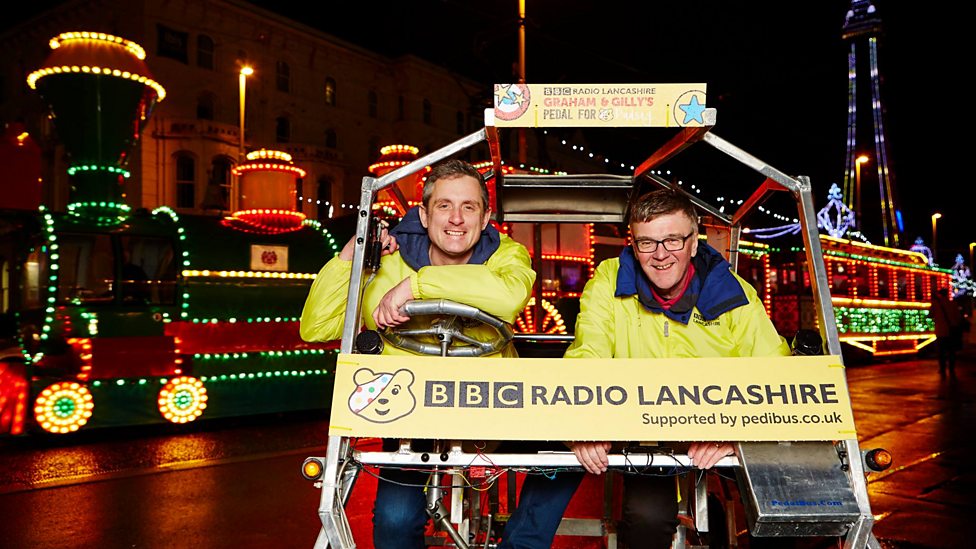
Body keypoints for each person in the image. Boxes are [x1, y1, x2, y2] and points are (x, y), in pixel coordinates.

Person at [300, 159, 579, 549]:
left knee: (566, 454)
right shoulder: (387, 258)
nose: (457, 219)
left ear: (485, 218)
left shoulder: (507, 256)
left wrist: (416, 286)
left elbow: (508, 296)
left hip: (492, 410)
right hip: (412, 415)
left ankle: (520, 544)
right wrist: (352, 256)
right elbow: (318, 328)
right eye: (444, 205)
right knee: (396, 522)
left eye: (469, 207)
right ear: (424, 214)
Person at [557, 188, 791, 548]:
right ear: (633, 245)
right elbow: (590, 350)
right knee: (647, 518)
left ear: (694, 243)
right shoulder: (610, 280)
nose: (661, 254)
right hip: (644, 428)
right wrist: (586, 420)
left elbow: (775, 372)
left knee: (780, 507)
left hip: (721, 422)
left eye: (673, 240)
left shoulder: (734, 293)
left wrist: (736, 433)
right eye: (648, 243)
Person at [930, 287, 964, 376]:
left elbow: (930, 315)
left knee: (941, 352)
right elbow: (958, 317)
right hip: (951, 331)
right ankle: (952, 369)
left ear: (939, 294)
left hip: (940, 331)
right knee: (951, 351)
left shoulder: (935, 304)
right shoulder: (953, 303)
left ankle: (942, 369)